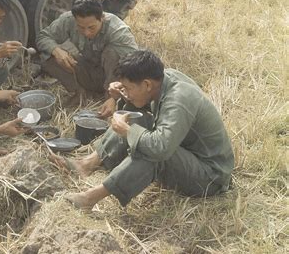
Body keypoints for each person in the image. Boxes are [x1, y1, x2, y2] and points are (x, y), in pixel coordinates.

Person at [51, 50, 234, 210]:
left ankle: (90, 198)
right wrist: (122, 96)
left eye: (129, 88)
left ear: (146, 84)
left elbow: (161, 148)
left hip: (210, 177)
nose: (127, 91)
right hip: (189, 155)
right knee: (138, 121)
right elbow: (144, 111)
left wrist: (127, 131)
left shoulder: (179, 98)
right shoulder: (162, 80)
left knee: (154, 152)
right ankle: (87, 164)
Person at [36, 0, 138, 116]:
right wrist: (56, 51)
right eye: (81, 27)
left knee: (112, 53)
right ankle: (80, 93)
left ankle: (108, 98)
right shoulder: (68, 20)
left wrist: (114, 97)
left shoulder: (118, 31)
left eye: (91, 27)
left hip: (113, 78)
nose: (86, 32)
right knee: (49, 56)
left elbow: (133, 67)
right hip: (88, 70)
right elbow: (43, 37)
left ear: (102, 18)